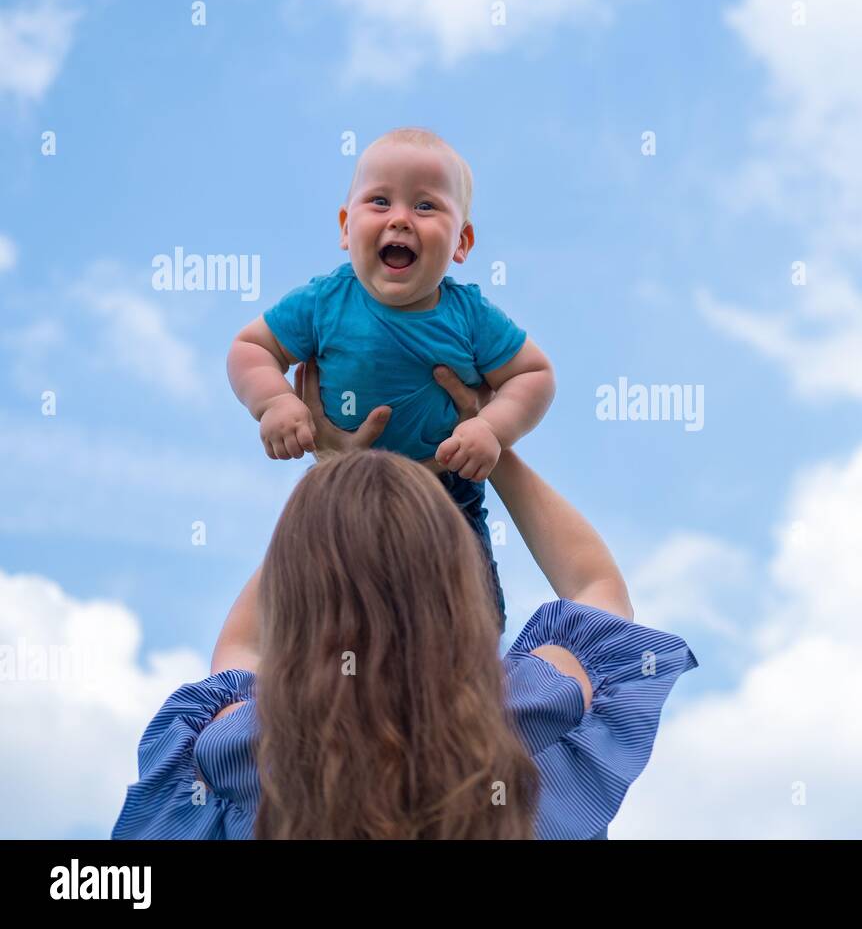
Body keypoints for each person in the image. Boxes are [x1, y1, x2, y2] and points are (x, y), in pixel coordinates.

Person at [111, 363, 696, 839]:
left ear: (296, 599)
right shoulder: (534, 705)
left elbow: (240, 647)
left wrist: (333, 486)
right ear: (461, 591)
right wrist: (489, 443)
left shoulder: (236, 747)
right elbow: (596, 588)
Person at [227, 127, 556, 626]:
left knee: (468, 614)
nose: (400, 218)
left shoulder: (470, 317)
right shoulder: (324, 302)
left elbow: (534, 374)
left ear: (462, 241)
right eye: (379, 202)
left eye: (426, 207)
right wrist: (274, 402)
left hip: (446, 491)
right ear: (344, 227)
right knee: (324, 612)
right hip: (344, 489)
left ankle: (462, 680)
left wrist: (490, 428)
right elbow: (251, 348)